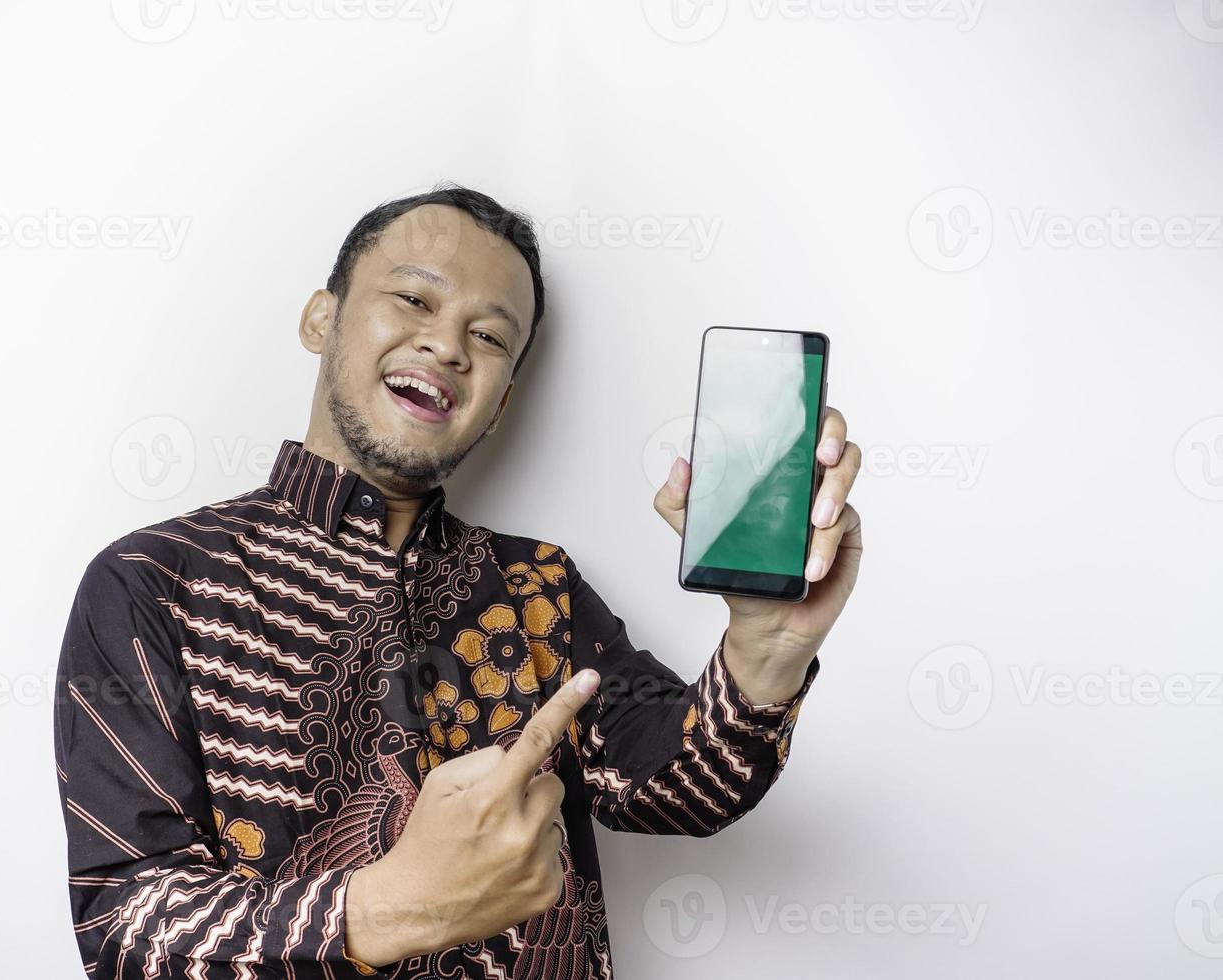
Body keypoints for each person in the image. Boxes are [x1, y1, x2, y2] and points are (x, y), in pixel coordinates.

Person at [52, 183, 863, 979]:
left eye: (488, 335)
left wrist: (766, 652)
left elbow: (681, 791)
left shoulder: (539, 586)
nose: (446, 346)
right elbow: (124, 927)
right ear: (321, 318)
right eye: (413, 299)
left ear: (501, 399)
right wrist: (391, 906)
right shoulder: (154, 585)